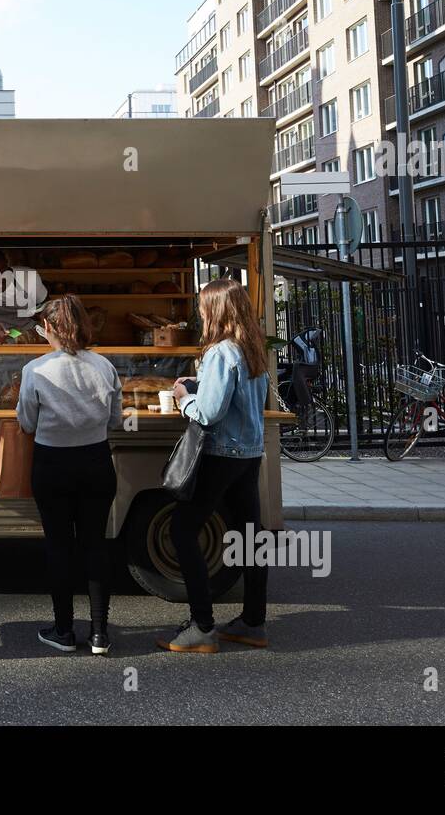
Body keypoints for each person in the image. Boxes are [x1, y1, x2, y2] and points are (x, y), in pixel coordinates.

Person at [158, 278, 271, 654]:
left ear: (218, 311)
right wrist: (199, 383)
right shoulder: (252, 349)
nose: (201, 313)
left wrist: (182, 398)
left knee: (182, 531)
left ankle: (202, 627)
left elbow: (207, 413)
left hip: (221, 454)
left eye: (205, 307)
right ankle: (253, 622)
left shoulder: (221, 352)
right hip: (250, 454)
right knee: (253, 539)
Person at [15, 295, 123, 656]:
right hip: (96, 462)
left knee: (59, 546)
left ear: (50, 328)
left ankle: (63, 630)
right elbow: (115, 420)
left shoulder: (36, 370)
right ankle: (99, 634)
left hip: (52, 465)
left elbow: (26, 423)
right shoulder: (105, 366)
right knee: (95, 545)